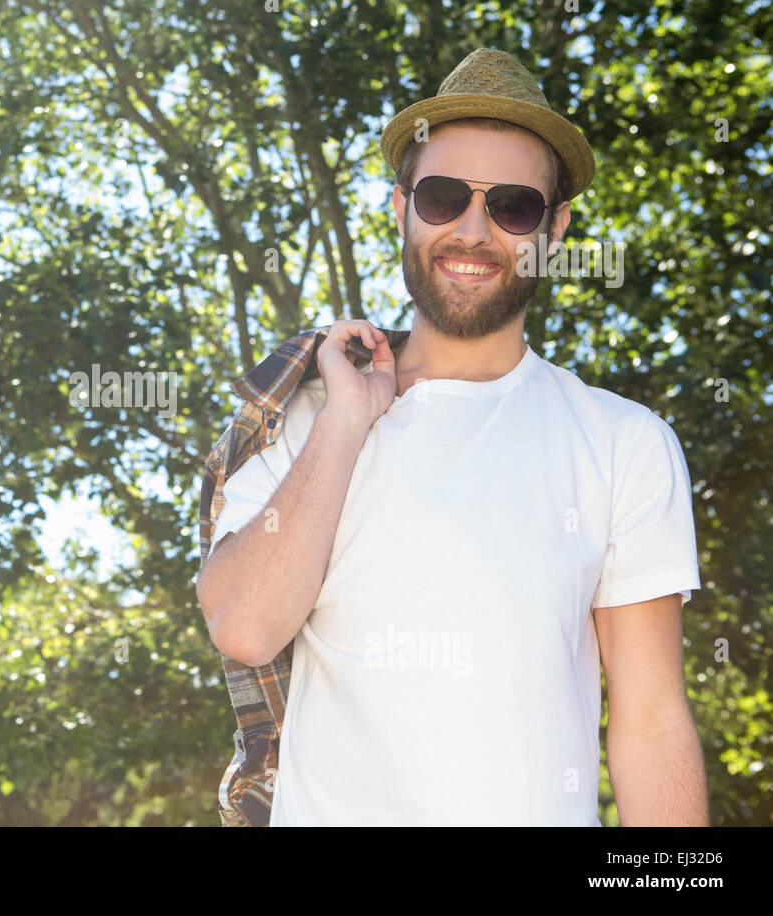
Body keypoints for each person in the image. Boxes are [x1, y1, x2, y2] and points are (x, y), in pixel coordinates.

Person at [196, 49, 707, 826]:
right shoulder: (305, 417)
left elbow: (651, 722)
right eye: (442, 197)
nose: (473, 231)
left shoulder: (622, 442)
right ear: (400, 207)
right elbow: (246, 625)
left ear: (555, 228)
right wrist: (347, 418)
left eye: (513, 207)